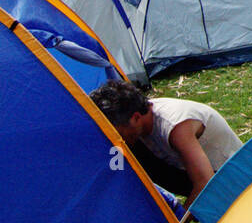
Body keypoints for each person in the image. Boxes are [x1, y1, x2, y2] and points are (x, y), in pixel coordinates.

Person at [91, 81, 242, 211]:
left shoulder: (176, 126)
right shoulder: (142, 122)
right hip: (187, 170)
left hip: (229, 179)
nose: (117, 138)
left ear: (136, 117)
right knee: (126, 153)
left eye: (119, 131)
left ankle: (214, 210)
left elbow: (205, 182)